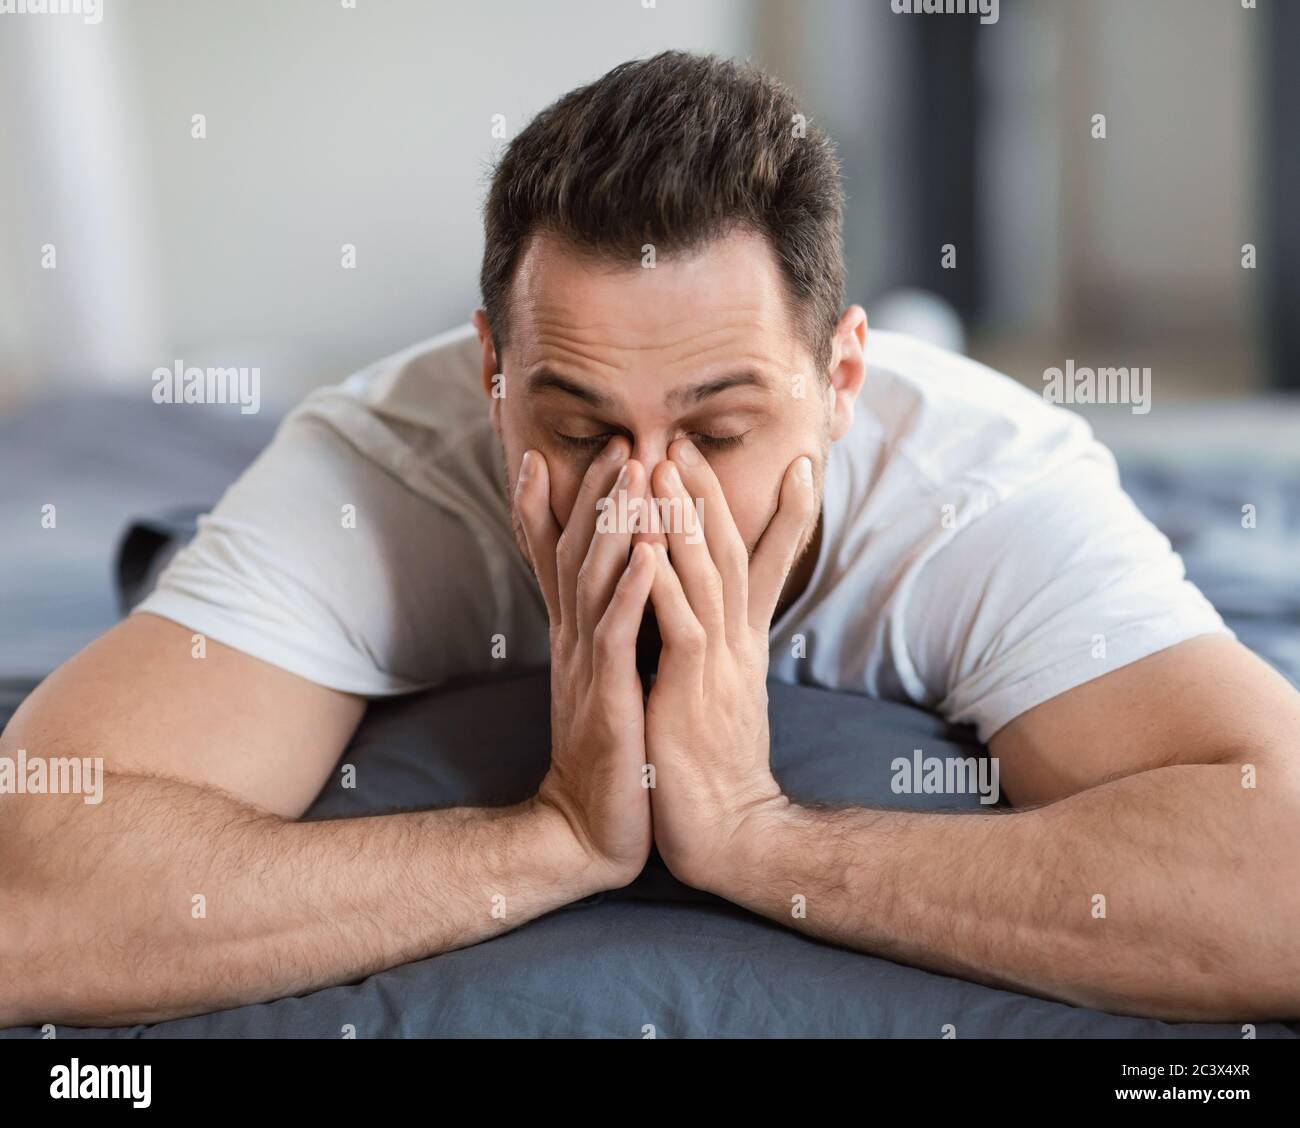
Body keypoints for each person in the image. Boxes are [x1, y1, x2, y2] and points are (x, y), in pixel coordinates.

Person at [4, 51, 1298, 1028]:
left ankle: (912, 324)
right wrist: (554, 834)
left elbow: (1274, 874)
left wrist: (759, 838)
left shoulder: (978, 485)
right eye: (577, 428)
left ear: (842, 385)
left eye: (719, 432)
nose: (642, 503)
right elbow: (33, 892)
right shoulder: (378, 470)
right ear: (491, 373)